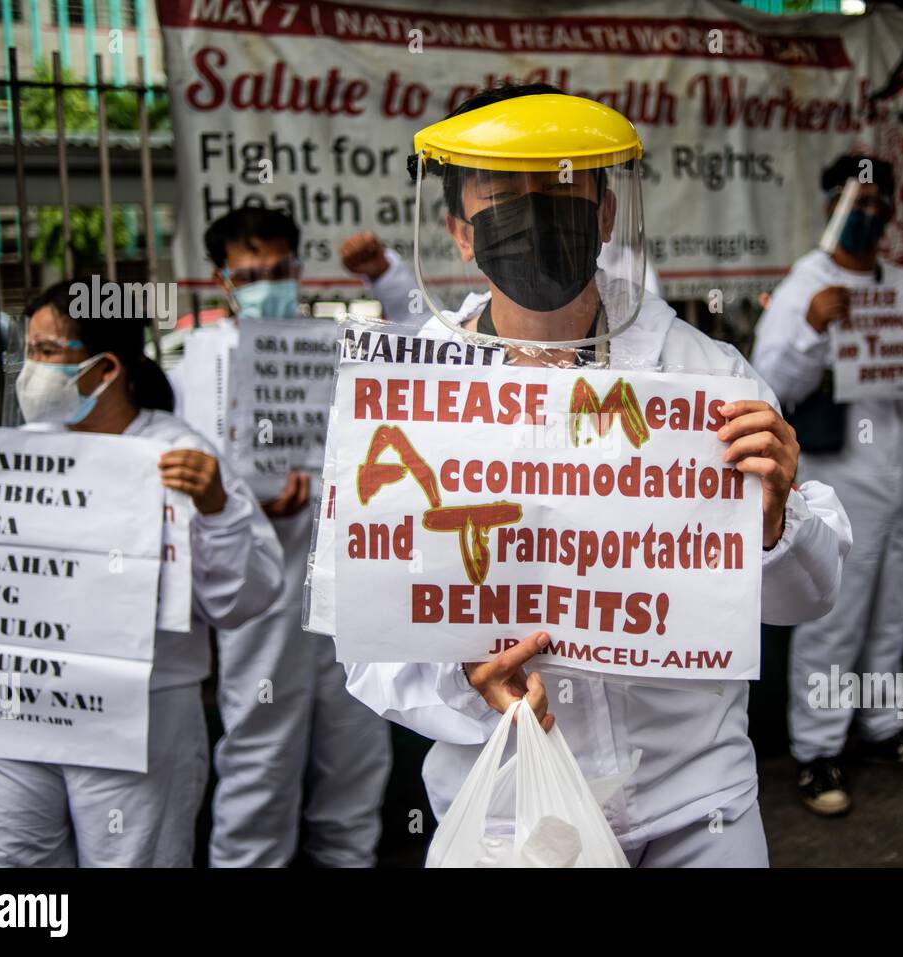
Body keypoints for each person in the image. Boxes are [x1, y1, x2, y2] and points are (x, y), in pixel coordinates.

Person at [344, 83, 853, 867]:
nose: (536, 210)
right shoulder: (409, 399)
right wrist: (464, 681)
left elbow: (809, 597)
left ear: (605, 213)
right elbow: (369, 637)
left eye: (559, 184)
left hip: (698, 806)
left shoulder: (704, 376)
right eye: (503, 192)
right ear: (458, 230)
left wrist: (776, 520)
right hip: (511, 806)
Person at [0, 279, 284, 867]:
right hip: (11, 713)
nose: (29, 368)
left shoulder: (180, 458)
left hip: (133, 722)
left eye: (46, 352)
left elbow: (248, 596)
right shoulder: (9, 458)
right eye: (28, 351)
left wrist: (217, 511)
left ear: (104, 366)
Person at [751, 154, 903, 817]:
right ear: (830, 207)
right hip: (839, 473)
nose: (870, 215)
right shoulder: (802, 287)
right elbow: (768, 387)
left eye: (880, 204)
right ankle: (817, 751)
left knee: (893, 610)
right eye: (857, 203)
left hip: (902, 474)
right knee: (835, 616)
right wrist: (813, 328)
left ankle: (883, 726)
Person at [195, 205, 396, 867]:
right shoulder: (199, 368)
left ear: (300, 271)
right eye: (251, 273)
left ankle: (350, 859)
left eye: (280, 269)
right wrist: (256, 505)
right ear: (223, 281)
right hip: (263, 592)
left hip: (350, 581)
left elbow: (426, 366)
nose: (268, 283)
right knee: (259, 754)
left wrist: (386, 281)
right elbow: (186, 490)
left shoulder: (340, 350)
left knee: (357, 751)